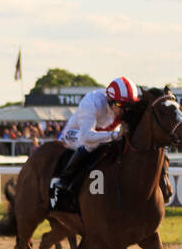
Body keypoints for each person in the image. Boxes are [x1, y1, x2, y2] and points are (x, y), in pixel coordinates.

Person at [51, 77, 139, 210]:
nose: (125, 111)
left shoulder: (120, 103)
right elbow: (87, 137)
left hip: (101, 134)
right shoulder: (92, 102)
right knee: (91, 144)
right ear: (111, 100)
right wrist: (115, 135)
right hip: (75, 135)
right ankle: (64, 179)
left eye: (129, 106)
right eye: (122, 106)